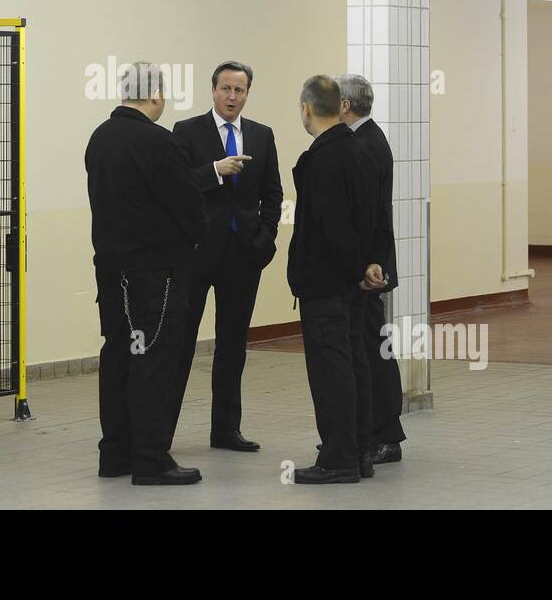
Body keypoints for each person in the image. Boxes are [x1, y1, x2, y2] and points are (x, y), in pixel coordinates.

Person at [84, 61, 208, 485]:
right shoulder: (159, 142)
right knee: (153, 359)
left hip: (110, 270)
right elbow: (190, 207)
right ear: (156, 95)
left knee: (118, 356)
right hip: (155, 275)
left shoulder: (99, 139)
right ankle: (151, 458)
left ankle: (115, 454)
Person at [170, 61, 283, 452]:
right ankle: (162, 432)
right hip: (198, 254)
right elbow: (177, 187)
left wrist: (265, 238)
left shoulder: (262, 135)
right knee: (181, 344)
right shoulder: (187, 132)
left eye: (240, 90)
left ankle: (226, 430)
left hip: (243, 254)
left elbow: (273, 193)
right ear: (212, 90)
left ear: (248, 93)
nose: (232, 97)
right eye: (225, 89)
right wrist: (214, 171)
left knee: (233, 345)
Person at [287, 75, 381, 484]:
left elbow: (333, 228)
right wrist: (365, 267)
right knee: (354, 363)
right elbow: (368, 218)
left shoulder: (325, 158)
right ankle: (359, 450)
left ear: (307, 108)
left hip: (327, 285)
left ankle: (338, 458)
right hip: (350, 282)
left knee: (331, 373)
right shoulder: (359, 149)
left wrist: (348, 271)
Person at [338, 73, 407, 465]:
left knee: (373, 349)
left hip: (369, 269)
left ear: (345, 105)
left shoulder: (364, 144)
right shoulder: (369, 139)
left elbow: (368, 216)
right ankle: (371, 429)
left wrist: (368, 264)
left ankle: (386, 433)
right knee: (370, 346)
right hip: (370, 265)